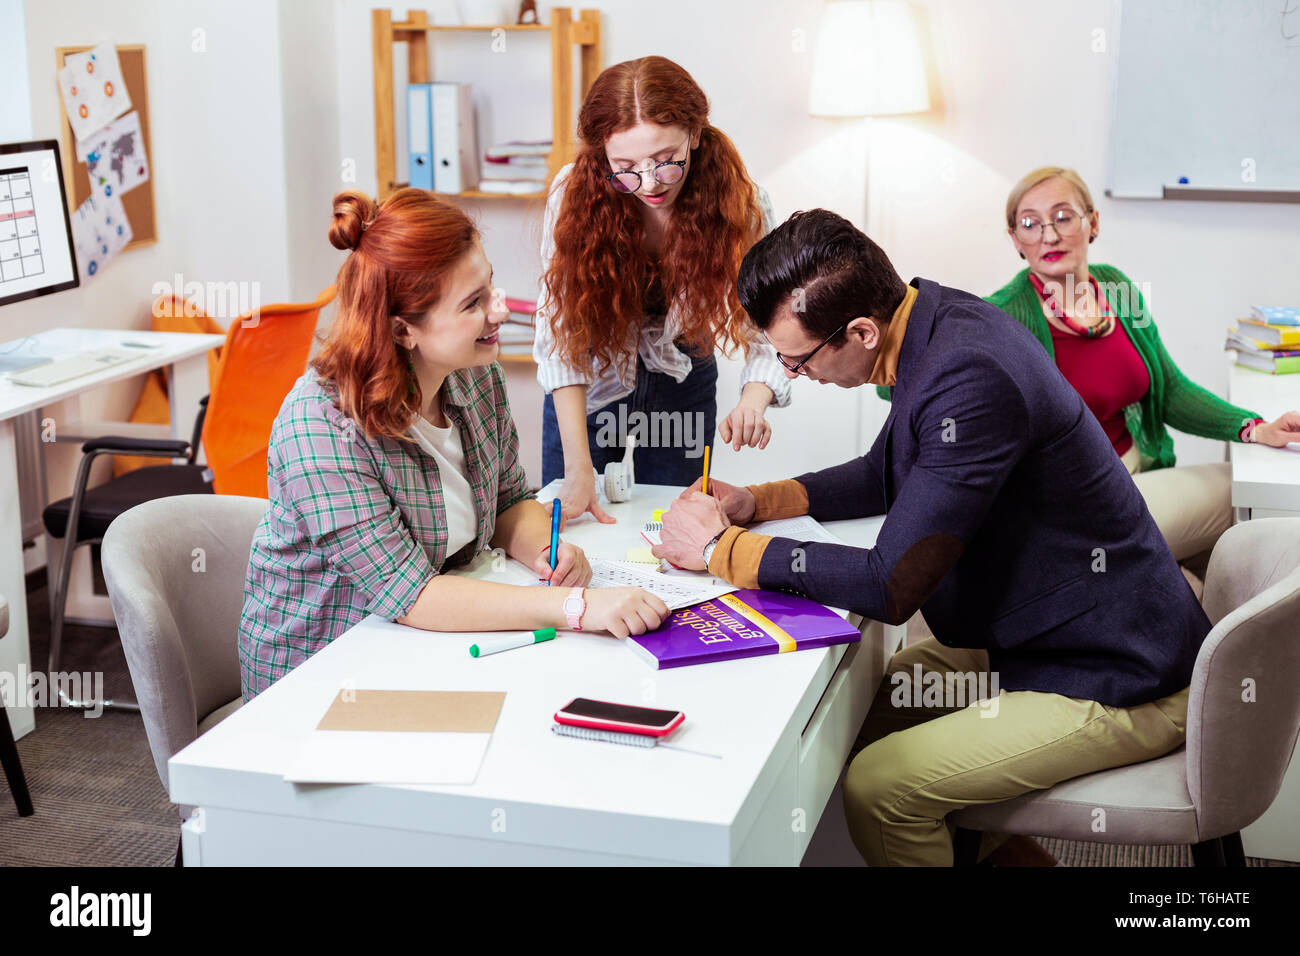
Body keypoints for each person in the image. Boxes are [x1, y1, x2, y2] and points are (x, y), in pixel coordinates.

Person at [652, 208, 1210, 867]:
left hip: (1118, 670)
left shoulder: (969, 378)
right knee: (854, 721)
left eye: (796, 362)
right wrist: (757, 501)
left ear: (860, 331)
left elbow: (891, 585)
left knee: (879, 786)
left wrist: (721, 553)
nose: (793, 374)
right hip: (1043, 634)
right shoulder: (934, 322)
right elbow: (878, 474)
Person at [238, 189, 669, 699]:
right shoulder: (321, 427)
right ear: (403, 330)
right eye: (473, 303)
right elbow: (412, 595)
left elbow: (509, 502)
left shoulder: (470, 374)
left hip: (416, 649)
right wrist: (577, 608)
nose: (500, 311)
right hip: (321, 678)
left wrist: (546, 552)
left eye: (490, 286)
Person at [983, 167, 1299, 564]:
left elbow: (1170, 389)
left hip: (1138, 474)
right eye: (1030, 224)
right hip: (1076, 506)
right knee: (1246, 501)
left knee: (1226, 532)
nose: (1049, 235)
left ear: (1092, 222)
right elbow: (916, 380)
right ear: (1015, 239)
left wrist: (1254, 428)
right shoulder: (1004, 314)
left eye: (1063, 217)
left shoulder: (1115, 286)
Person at [535, 55, 790, 524]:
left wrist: (754, 401)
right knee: (575, 524)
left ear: (694, 135)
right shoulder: (571, 194)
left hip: (683, 374)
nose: (649, 183)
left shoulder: (742, 202)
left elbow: (770, 326)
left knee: (670, 525)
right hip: (588, 377)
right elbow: (559, 336)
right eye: (625, 167)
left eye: (665, 162)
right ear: (601, 155)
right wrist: (578, 468)